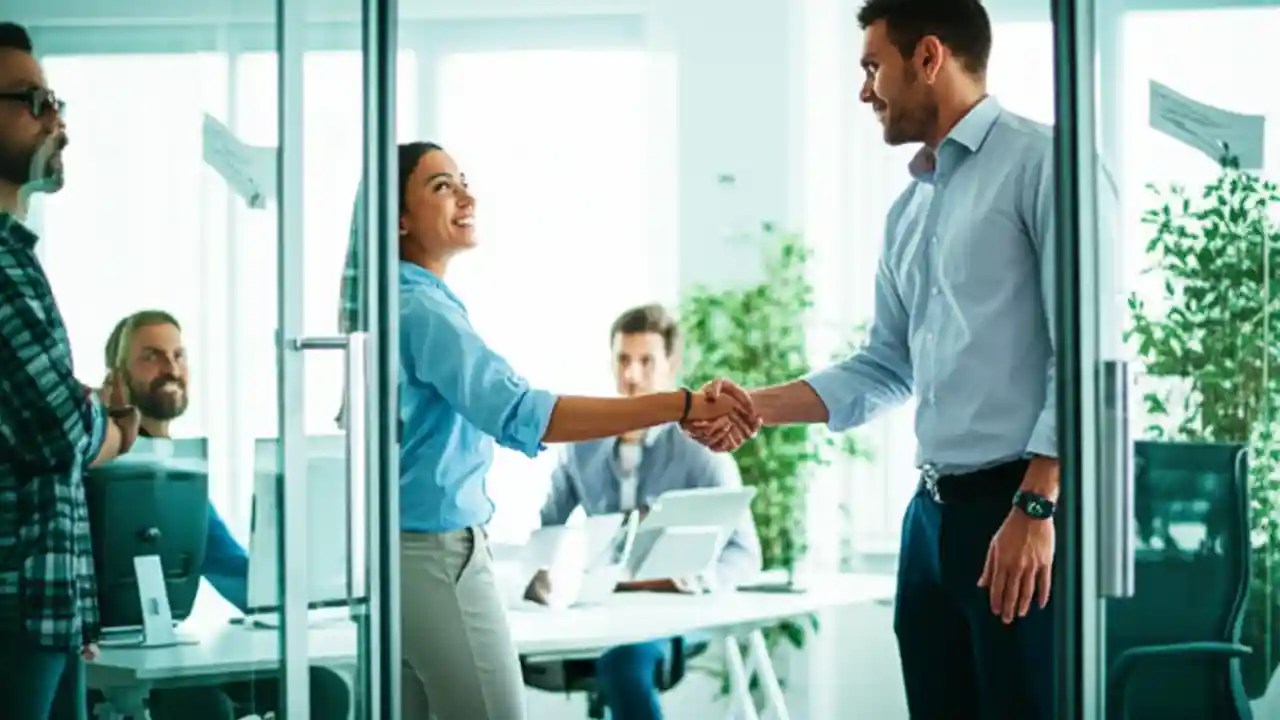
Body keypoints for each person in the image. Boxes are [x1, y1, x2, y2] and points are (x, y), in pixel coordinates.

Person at [687, 2, 1058, 718]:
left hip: (1018, 512)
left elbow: (1086, 354)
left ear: (927, 57)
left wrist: (1037, 502)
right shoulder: (909, 210)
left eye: (871, 67)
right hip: (929, 520)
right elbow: (887, 366)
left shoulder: (1042, 164)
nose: (864, 92)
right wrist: (753, 405)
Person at [346, 141, 756, 720]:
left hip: (397, 555)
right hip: (436, 558)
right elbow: (524, 414)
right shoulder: (424, 313)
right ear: (400, 219)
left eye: (464, 179)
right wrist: (681, 404)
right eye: (442, 186)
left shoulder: (400, 303)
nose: (467, 195)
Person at [98, 310, 352, 720]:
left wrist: (313, 588)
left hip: (166, 655)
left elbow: (237, 574)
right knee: (201, 705)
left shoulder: (180, 476)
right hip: (105, 660)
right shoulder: (98, 465)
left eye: (178, 355)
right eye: (152, 356)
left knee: (321, 687)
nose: (171, 368)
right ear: (117, 378)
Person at [0, 22, 140, 720]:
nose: (58, 121)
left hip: (43, 607)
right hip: (15, 609)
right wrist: (114, 431)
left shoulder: (17, 258)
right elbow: (59, 430)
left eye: (56, 101)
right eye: (33, 101)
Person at [531, 304, 762, 720]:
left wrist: (691, 581)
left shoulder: (703, 450)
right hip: (595, 611)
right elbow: (547, 532)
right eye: (623, 360)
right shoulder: (581, 445)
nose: (631, 375)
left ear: (670, 367)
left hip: (667, 620)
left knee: (623, 666)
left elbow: (745, 554)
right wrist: (546, 576)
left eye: (645, 361)